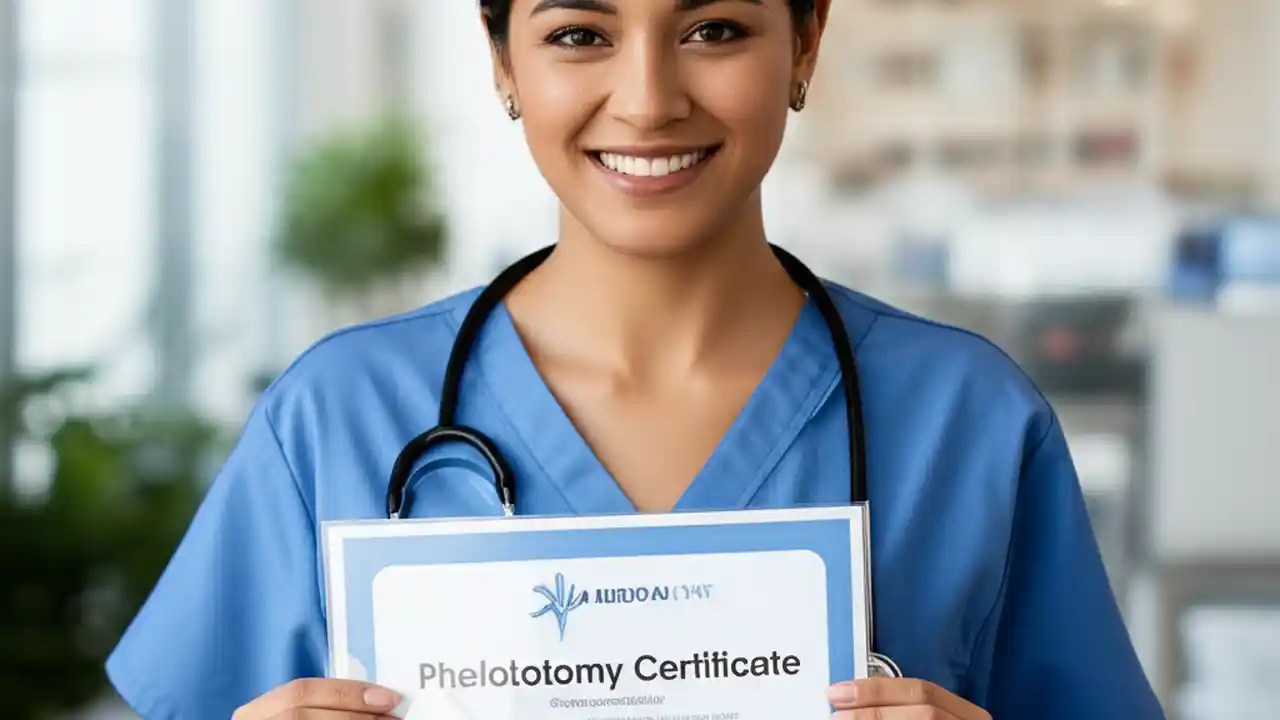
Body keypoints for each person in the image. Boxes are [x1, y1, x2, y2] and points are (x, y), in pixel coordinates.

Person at [106, 1, 1165, 718]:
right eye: (578, 33)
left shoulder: (965, 418)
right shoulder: (336, 416)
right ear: (501, 60)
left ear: (804, 44)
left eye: (711, 27)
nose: (650, 97)